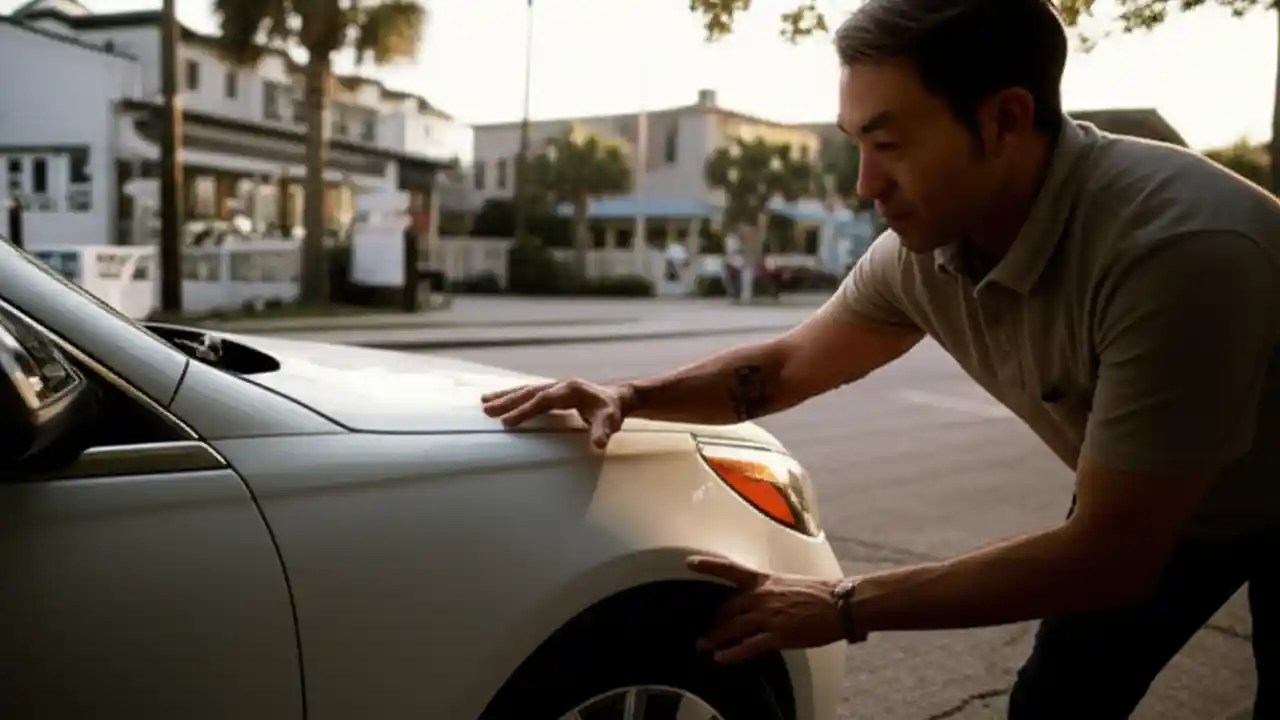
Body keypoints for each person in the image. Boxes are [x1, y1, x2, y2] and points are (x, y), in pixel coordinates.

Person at [480, 0, 1279, 716]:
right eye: (857, 142)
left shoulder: (1177, 251)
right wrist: (626, 393)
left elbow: (1110, 558)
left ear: (1004, 120)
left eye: (889, 143)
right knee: (1054, 704)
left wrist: (843, 602)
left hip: (1214, 500)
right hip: (1163, 502)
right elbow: (788, 368)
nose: (867, 184)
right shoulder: (923, 247)